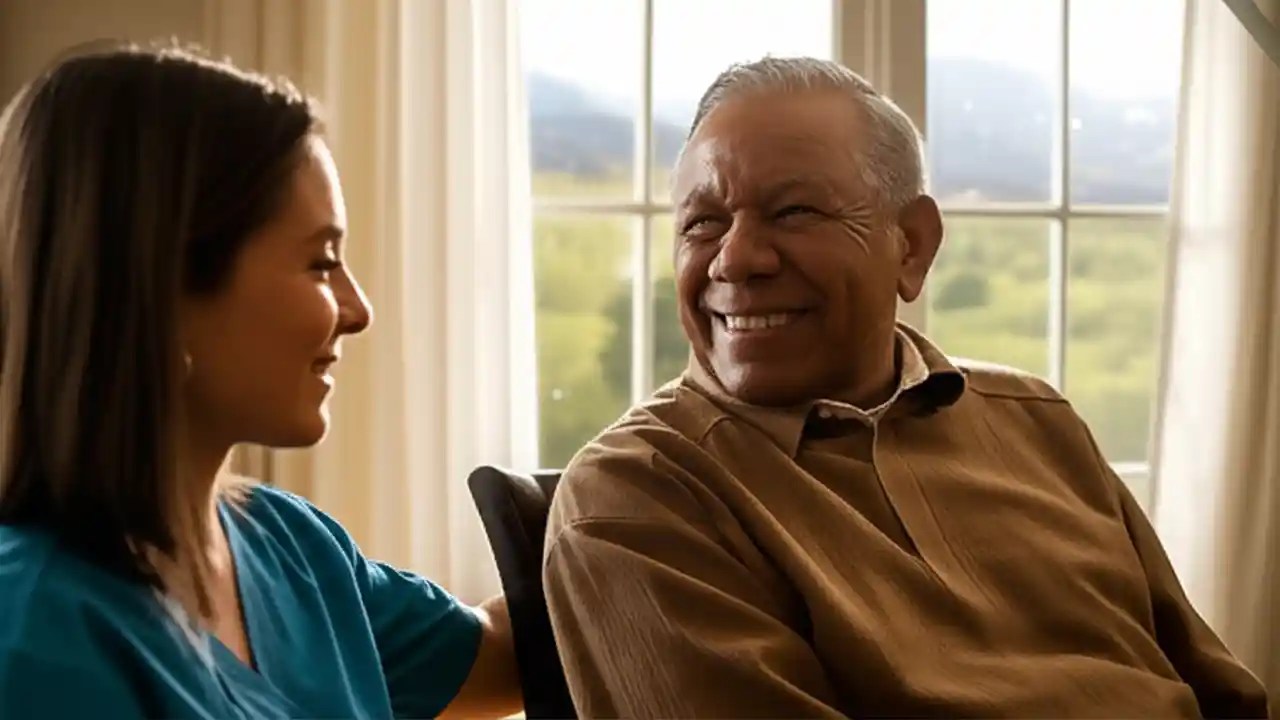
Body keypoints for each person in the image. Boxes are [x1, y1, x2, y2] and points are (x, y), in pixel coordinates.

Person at [543, 56, 1270, 718]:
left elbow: (1226, 693)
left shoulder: (1039, 420)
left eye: (793, 211)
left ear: (912, 245)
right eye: (703, 223)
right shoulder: (636, 495)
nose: (735, 259)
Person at [0, 44, 521, 718]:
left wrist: (666, 463)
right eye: (321, 262)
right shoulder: (34, 639)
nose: (357, 311)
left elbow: (507, 654)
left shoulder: (294, 548)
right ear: (164, 290)